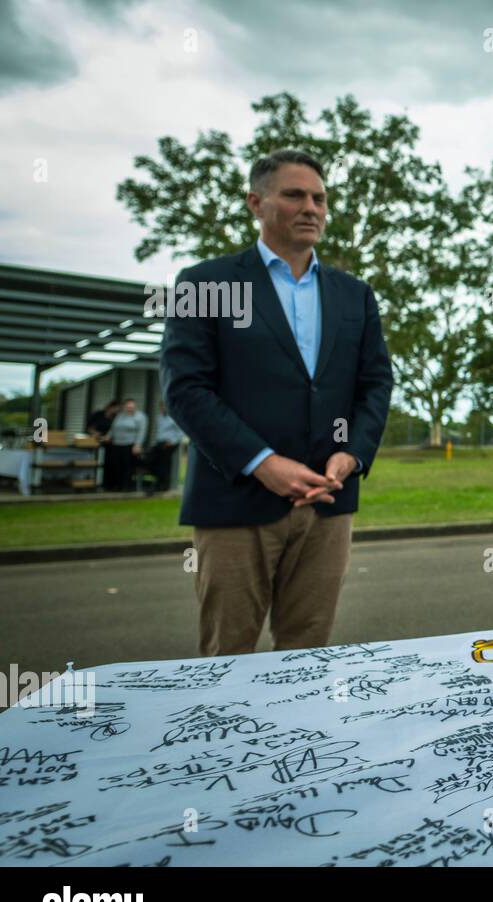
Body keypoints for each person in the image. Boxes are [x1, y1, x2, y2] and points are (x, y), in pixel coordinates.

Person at [161, 148, 393, 656]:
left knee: (307, 660)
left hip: (328, 504)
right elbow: (185, 389)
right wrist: (263, 463)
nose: (311, 207)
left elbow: (376, 384)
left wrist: (351, 453)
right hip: (236, 504)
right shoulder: (205, 284)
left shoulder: (355, 295)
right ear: (255, 202)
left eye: (320, 198)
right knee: (228, 658)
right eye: (294, 195)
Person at [106, 398, 148, 492]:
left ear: (135, 407)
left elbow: (142, 431)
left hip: (130, 445)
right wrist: (108, 436)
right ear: (124, 407)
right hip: (117, 444)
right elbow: (113, 428)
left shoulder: (140, 417)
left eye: (132, 407)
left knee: (127, 467)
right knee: (116, 466)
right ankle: (117, 485)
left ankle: (126, 487)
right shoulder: (120, 416)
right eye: (128, 407)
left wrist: (137, 445)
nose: (130, 409)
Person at [147, 401, 184, 493]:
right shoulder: (159, 417)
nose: (164, 408)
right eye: (162, 407)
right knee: (150, 460)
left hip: (169, 443)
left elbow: (181, 431)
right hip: (159, 442)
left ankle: (163, 485)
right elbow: (158, 431)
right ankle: (157, 481)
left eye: (165, 406)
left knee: (164, 465)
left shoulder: (174, 416)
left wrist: (173, 441)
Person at [88, 399, 120, 490]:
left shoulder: (115, 418)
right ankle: (94, 481)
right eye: (115, 408)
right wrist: (95, 434)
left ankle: (107, 484)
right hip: (95, 441)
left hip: (108, 443)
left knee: (109, 463)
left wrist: (108, 437)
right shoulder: (98, 414)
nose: (116, 410)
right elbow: (90, 427)